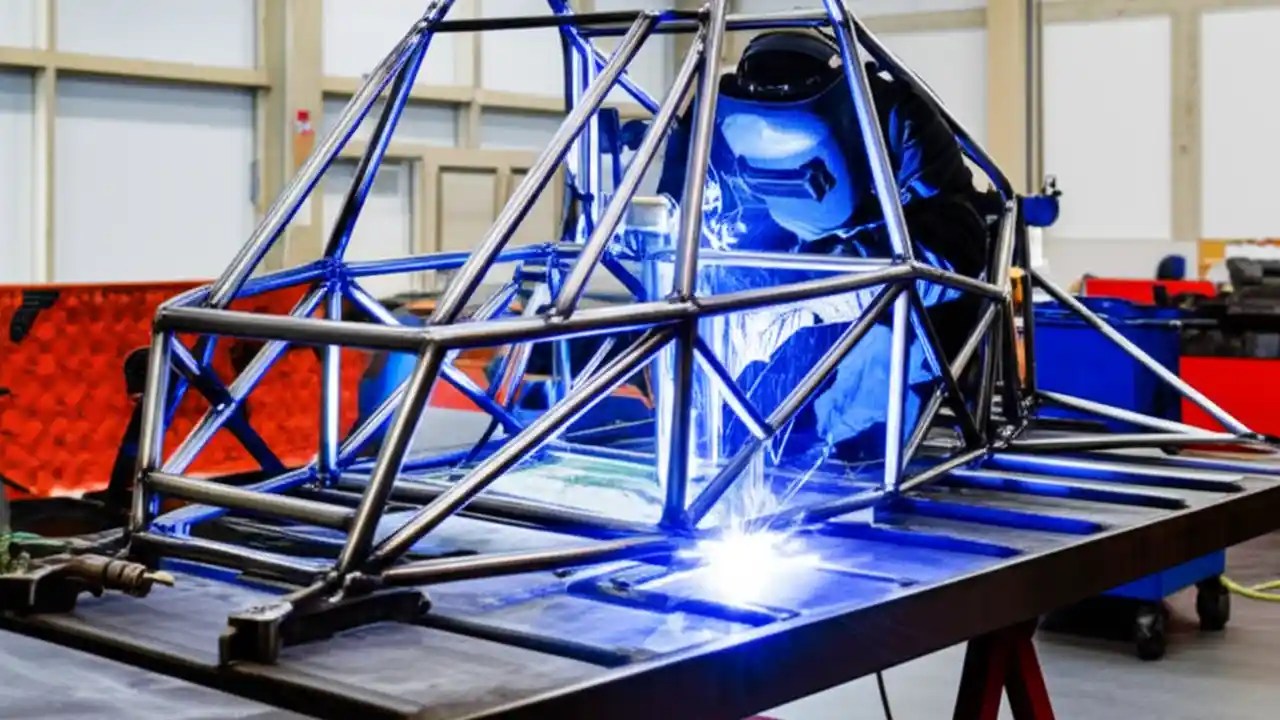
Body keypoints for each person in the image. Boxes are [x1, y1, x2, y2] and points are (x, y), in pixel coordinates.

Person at [654, 30, 995, 462]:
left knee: (850, 437)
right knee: (727, 421)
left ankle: (848, 449)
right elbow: (678, 234)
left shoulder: (896, 117)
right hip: (798, 299)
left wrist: (827, 284)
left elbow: (958, 253)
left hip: (897, 306)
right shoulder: (714, 126)